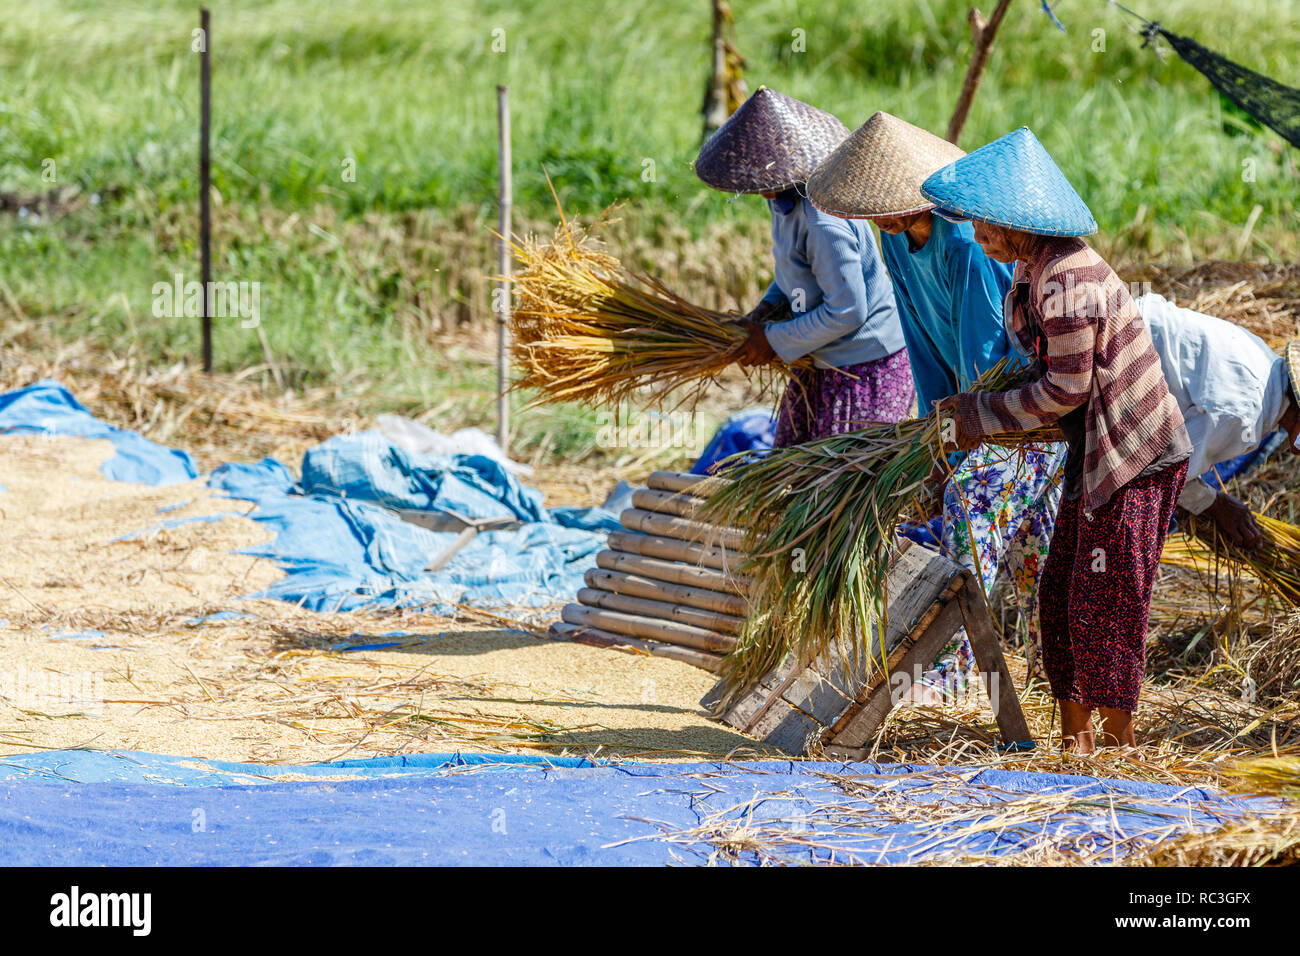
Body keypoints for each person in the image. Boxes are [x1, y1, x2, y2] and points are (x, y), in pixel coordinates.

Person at [920, 127, 1192, 754]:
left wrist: (980, 416)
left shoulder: (1068, 280)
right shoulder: (1031, 266)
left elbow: (1065, 390)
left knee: (1108, 601)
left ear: (1020, 221)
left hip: (1132, 455)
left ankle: (1118, 753)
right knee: (1061, 594)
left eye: (987, 223)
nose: (978, 234)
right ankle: (1076, 744)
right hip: (1092, 453)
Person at [806, 112, 1066, 699]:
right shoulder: (893, 240)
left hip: (1017, 415)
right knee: (1030, 545)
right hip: (966, 414)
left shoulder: (964, 244)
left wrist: (969, 425)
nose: (871, 219)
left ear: (905, 202)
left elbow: (982, 347)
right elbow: (919, 335)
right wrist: (935, 424)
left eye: (877, 208)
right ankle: (1015, 667)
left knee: (977, 507)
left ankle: (956, 670)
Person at [694, 87, 912, 445]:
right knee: (793, 468)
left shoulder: (822, 221)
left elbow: (848, 310)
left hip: (862, 368)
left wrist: (772, 339)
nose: (754, 186)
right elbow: (794, 275)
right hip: (819, 361)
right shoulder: (782, 199)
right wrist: (766, 309)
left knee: (840, 484)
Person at [1138, 293, 1300, 546]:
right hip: (1110, 354)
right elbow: (1163, 468)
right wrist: (1215, 504)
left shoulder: (1264, 362)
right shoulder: (1247, 414)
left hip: (1121, 330)